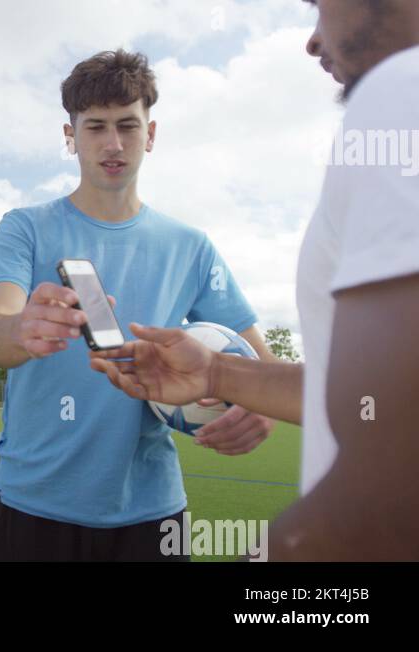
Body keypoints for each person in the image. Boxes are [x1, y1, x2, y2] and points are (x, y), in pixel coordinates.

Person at [90, 0, 419, 560]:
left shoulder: (399, 93)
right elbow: (371, 394)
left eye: (320, 5)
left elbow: (396, 480)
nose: (313, 41)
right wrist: (221, 371)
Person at [0, 49, 277, 562]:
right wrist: (22, 328)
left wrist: (261, 406)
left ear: (150, 135)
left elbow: (261, 364)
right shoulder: (23, 227)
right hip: (32, 506)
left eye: (128, 126)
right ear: (70, 136)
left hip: (151, 514)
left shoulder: (191, 246)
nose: (113, 144)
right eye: (95, 127)